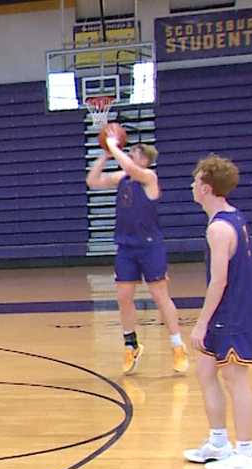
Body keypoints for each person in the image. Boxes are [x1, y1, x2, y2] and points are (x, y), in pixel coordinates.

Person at [183, 155, 252, 469]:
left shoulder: (218, 228)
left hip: (233, 313)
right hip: (226, 312)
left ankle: (247, 453)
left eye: (195, 181)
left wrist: (200, 323)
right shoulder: (233, 216)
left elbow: (219, 281)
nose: (192, 186)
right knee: (205, 372)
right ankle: (218, 442)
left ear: (205, 188)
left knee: (235, 379)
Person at [88, 135, 189, 375]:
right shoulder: (123, 177)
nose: (130, 155)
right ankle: (131, 345)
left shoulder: (149, 177)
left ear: (144, 159)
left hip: (150, 246)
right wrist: (104, 154)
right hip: (126, 247)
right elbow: (92, 181)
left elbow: (131, 167)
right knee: (123, 297)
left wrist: (113, 145)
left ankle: (177, 345)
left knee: (160, 296)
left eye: (134, 153)